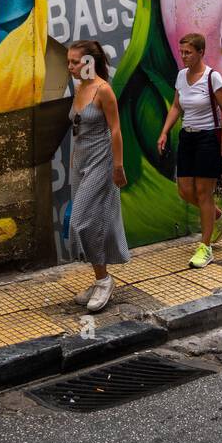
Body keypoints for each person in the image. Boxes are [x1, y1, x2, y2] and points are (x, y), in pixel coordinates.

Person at [157, 33, 222, 268]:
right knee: (184, 191)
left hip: (208, 138)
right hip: (187, 138)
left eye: (188, 52)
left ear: (201, 52)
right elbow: (176, 105)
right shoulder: (181, 76)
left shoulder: (212, 77)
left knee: (203, 193)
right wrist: (164, 132)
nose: (183, 57)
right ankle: (221, 216)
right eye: (181, 52)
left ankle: (205, 247)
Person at [66, 39, 129, 313]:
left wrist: (118, 166)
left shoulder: (103, 90)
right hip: (79, 163)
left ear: (90, 62)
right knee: (87, 223)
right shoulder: (80, 88)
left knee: (80, 221)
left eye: (75, 61)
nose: (70, 66)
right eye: (68, 61)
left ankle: (104, 280)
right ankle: (99, 277)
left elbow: (115, 130)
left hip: (101, 163)